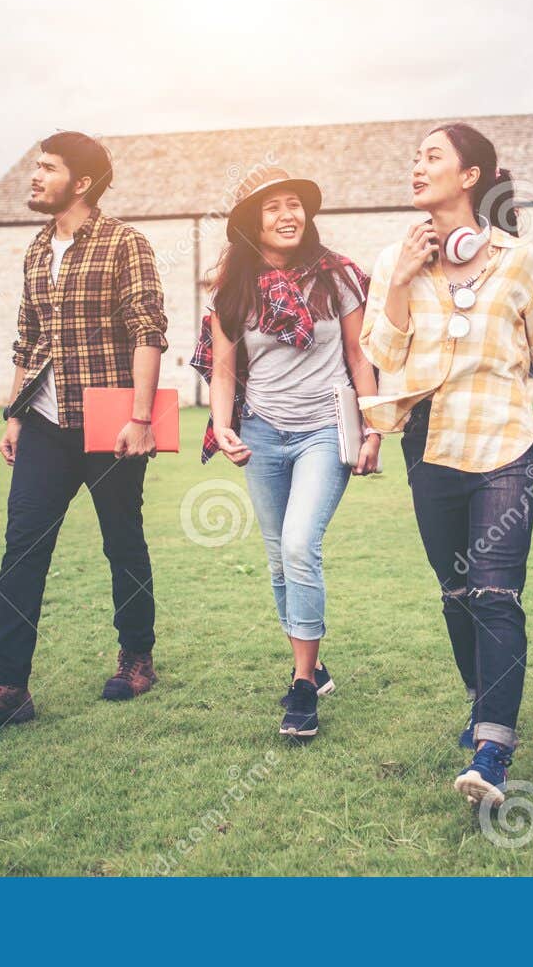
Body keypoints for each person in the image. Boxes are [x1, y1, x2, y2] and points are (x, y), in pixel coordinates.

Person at [359, 122, 533, 808]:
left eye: (432, 157)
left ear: (471, 174)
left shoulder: (522, 262)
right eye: (414, 157)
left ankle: (493, 751)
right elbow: (382, 355)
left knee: (495, 593)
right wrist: (400, 280)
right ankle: (484, 699)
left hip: (506, 444)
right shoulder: (395, 257)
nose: (417, 167)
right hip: (428, 444)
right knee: (455, 594)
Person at [0, 130, 168, 732]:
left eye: (47, 168)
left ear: (83, 182)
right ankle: (9, 687)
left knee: (122, 540)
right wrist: (15, 414)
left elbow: (148, 331)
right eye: (36, 167)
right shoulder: (37, 249)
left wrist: (141, 418)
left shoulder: (127, 244)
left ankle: (137, 655)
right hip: (45, 419)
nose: (35, 177)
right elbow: (29, 338)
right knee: (23, 547)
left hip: (110, 416)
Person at [191, 167, 379, 738]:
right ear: (254, 223)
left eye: (294, 204)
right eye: (272, 208)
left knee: (300, 543)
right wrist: (223, 426)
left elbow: (359, 356)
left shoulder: (338, 278)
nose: (287, 215)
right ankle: (313, 665)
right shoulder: (234, 287)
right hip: (263, 432)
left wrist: (374, 428)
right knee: (278, 560)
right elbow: (224, 369)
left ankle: (301, 688)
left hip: (325, 430)